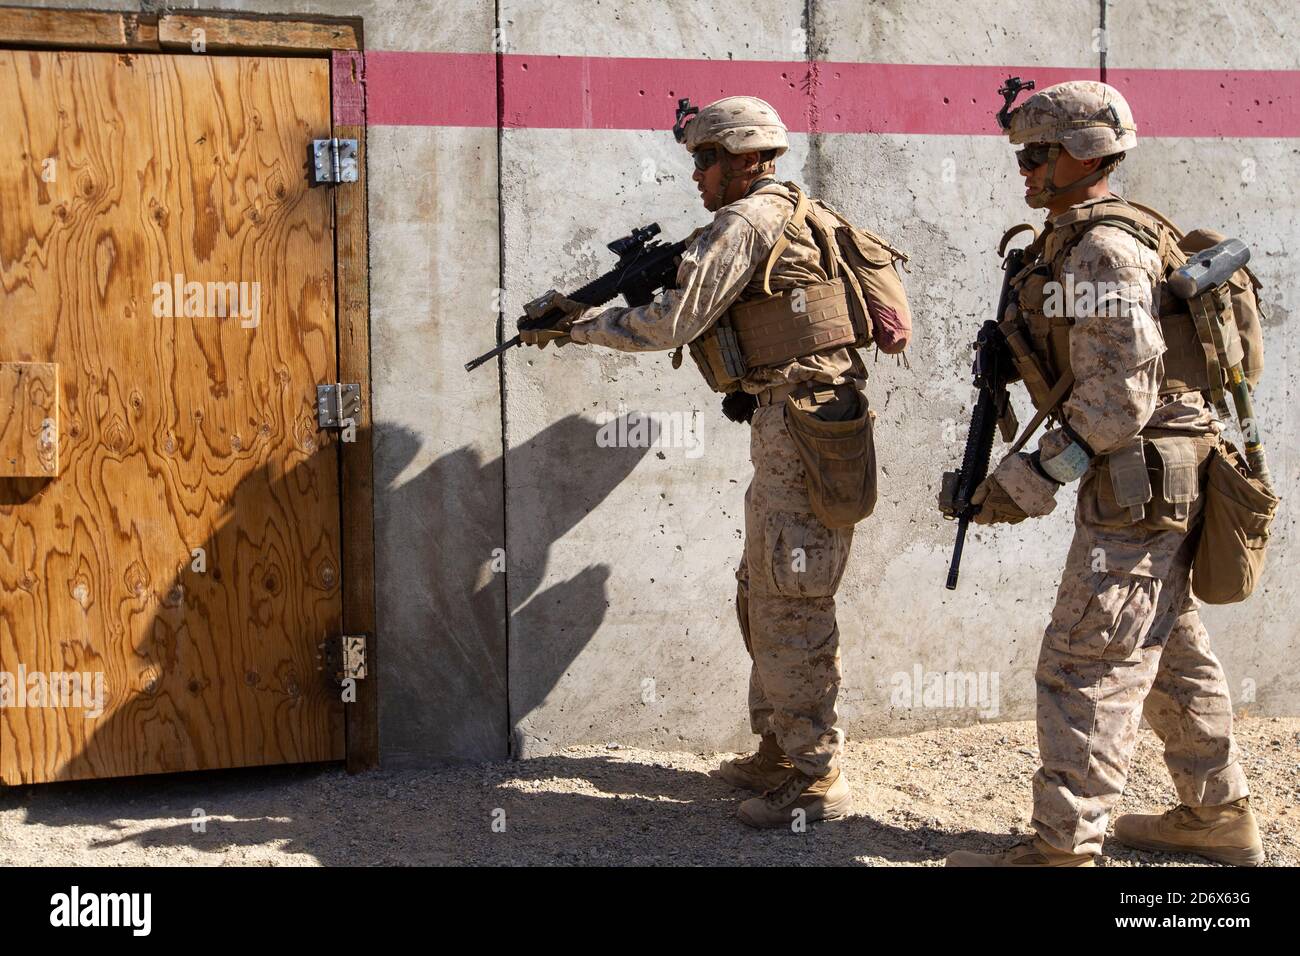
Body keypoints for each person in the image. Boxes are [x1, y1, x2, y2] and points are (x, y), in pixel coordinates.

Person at [519, 95, 883, 828]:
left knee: (790, 598)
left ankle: (817, 775)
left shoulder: (748, 222)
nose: (697, 175)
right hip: (793, 425)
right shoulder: (789, 211)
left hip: (803, 430)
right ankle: (781, 746)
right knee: (763, 586)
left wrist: (585, 330)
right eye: (696, 159)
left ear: (747, 156)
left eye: (706, 158)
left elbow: (675, 321)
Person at [944, 80, 1261, 866]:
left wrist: (1019, 486)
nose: (1024, 167)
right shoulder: (1084, 236)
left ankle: (1062, 850)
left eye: (1037, 152)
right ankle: (1217, 817)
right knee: (1168, 655)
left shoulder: (1102, 248)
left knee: (1085, 664)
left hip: (1139, 477)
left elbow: (1119, 399)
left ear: (1081, 155)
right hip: (1159, 476)